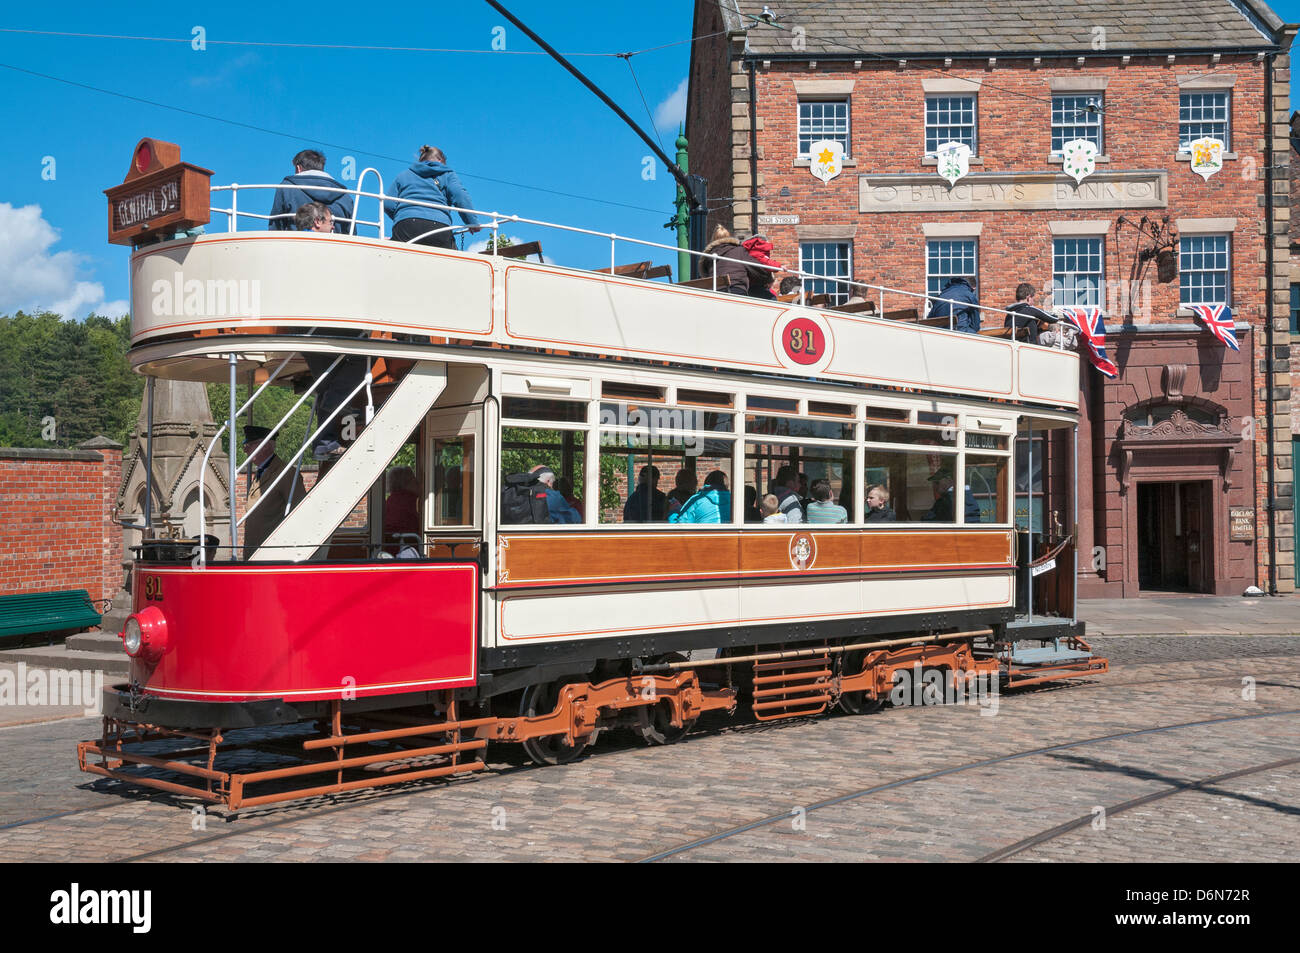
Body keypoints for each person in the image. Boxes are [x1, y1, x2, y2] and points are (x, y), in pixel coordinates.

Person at [385, 145, 483, 247]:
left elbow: (388, 204)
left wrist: (405, 216)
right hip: (438, 227)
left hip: (406, 226)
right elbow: (460, 197)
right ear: (440, 160)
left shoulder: (403, 175)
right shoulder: (447, 174)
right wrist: (472, 222)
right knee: (451, 260)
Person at [241, 424, 307, 559]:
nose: (245, 450)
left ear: (264, 446)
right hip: (255, 551)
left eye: (249, 445)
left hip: (273, 553)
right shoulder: (261, 471)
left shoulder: (286, 473)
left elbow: (299, 511)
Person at [269, 149, 354, 233]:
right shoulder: (345, 196)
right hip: (336, 245)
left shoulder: (287, 187)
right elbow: (351, 232)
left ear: (298, 168)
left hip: (295, 243)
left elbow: (276, 225)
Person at [699, 225, 766, 295]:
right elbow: (756, 268)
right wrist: (768, 279)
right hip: (736, 289)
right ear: (729, 237)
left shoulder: (709, 255)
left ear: (713, 239)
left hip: (715, 291)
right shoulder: (740, 251)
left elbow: (704, 274)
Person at [741, 234, 782, 299]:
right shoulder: (757, 254)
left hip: (751, 283)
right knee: (772, 299)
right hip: (756, 284)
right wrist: (780, 266)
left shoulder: (749, 252)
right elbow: (769, 264)